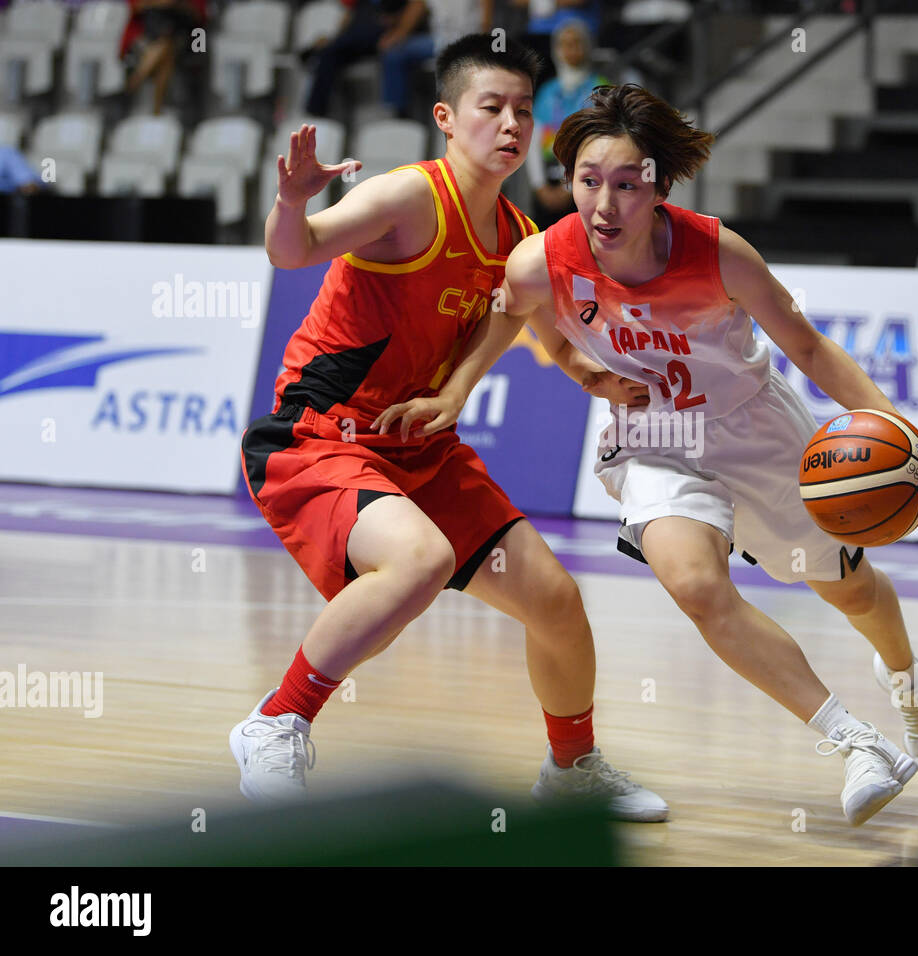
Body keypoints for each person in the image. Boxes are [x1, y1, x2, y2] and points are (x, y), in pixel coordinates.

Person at [500, 84, 918, 827]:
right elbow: (534, 325)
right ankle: (856, 744)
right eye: (590, 182)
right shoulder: (540, 262)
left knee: (851, 591)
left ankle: (911, 689)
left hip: (754, 431)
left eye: (626, 185)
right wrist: (585, 372)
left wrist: (897, 432)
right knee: (696, 587)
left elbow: (808, 347)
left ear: (658, 188)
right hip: (655, 442)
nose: (605, 205)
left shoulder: (718, 254)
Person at [233, 36, 666, 822]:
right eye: (491, 107)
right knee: (421, 559)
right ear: (446, 118)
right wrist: (292, 200)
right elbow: (293, 253)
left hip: (419, 447)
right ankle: (276, 721)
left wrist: (587, 378)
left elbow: (517, 317)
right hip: (320, 437)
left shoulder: (514, 233)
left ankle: (571, 769)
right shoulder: (405, 198)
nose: (511, 124)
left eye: (524, 111)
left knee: (558, 601)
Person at [526, 17, 608, 230]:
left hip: (586, 186)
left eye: (576, 43)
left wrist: (570, 187)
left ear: (588, 46)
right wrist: (540, 186)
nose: (570, 49)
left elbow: (597, 145)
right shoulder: (547, 91)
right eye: (565, 44)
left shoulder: (600, 90)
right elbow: (534, 142)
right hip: (548, 184)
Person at [304, 0, 432, 118]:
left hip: (384, 31)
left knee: (334, 49)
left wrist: (399, 34)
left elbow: (417, 5)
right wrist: (336, 37)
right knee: (329, 57)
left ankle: (325, 49)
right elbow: (351, 13)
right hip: (360, 33)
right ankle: (315, 112)